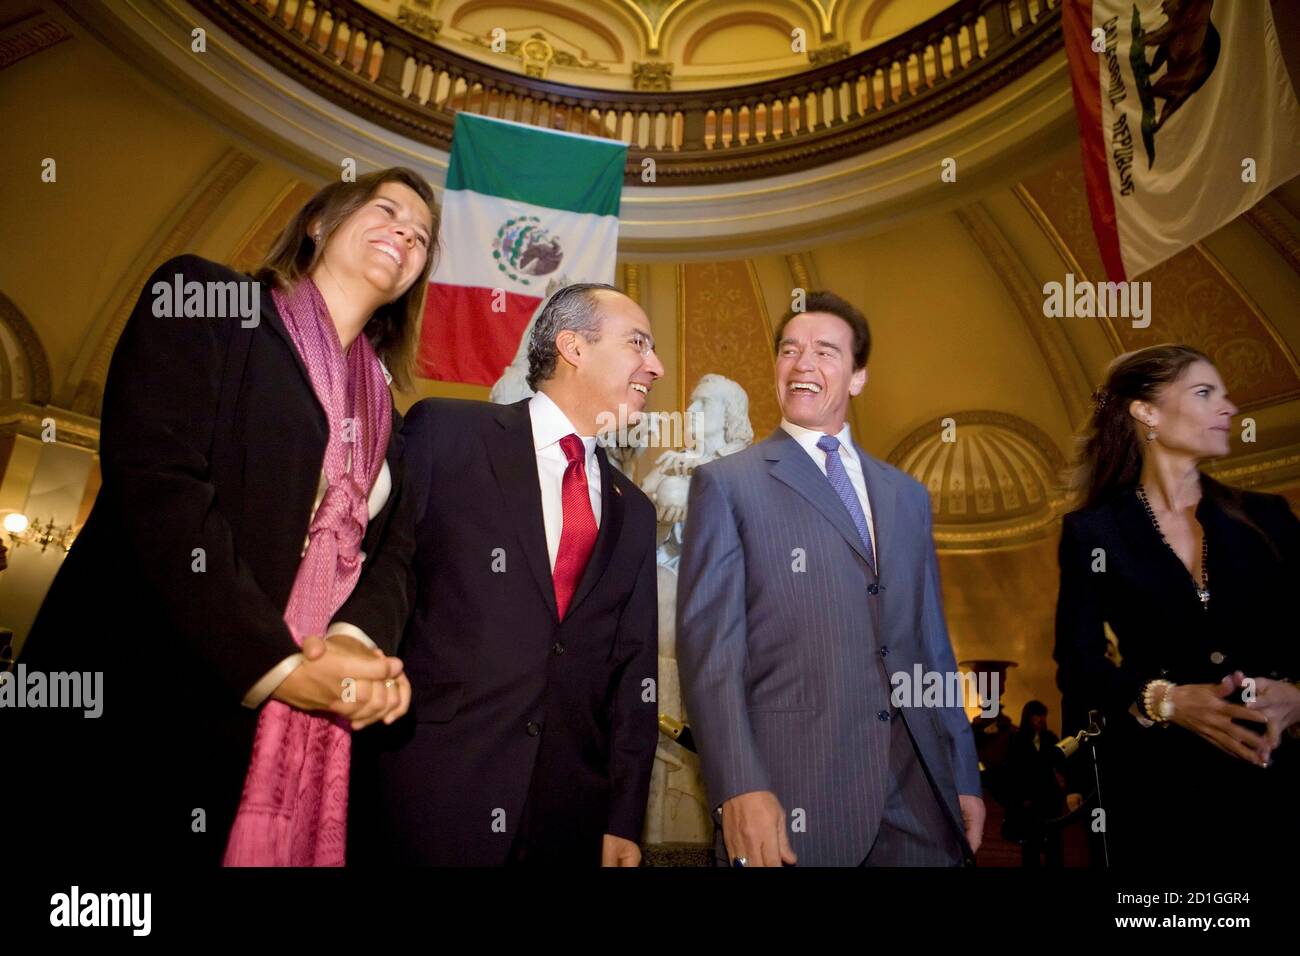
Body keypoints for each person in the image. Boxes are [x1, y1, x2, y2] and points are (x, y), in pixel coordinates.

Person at [13, 167, 437, 866]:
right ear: (318, 223)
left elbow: (392, 552)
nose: (405, 233)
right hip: (142, 694)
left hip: (272, 728)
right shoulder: (204, 301)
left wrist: (357, 643)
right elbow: (162, 485)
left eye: (421, 236)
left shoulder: (386, 411)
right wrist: (274, 663)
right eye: (386, 209)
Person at [336, 283, 663, 866]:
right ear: (573, 347)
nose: (655, 366)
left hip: (568, 820)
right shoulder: (448, 433)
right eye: (638, 342)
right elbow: (385, 572)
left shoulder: (633, 510)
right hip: (426, 789)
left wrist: (623, 819)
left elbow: (634, 672)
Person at [676, 291, 984, 867]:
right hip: (795, 798)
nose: (803, 364)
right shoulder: (727, 485)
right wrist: (738, 787)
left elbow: (933, 646)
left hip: (920, 799)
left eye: (825, 351)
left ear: (858, 376)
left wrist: (962, 771)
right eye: (790, 351)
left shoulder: (907, 496)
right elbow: (709, 654)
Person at [1054, 344, 1300, 865]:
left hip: (1279, 784)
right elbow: (1078, 665)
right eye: (1205, 392)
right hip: (1158, 798)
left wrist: (1299, 695)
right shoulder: (1090, 532)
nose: (1230, 408)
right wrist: (1163, 699)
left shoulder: (1269, 517)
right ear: (1146, 412)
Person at [1004, 701, 1067, 867]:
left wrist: (1061, 779)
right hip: (1030, 800)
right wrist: (1022, 797)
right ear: (1028, 717)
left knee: (1054, 845)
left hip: (1050, 798)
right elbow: (1013, 771)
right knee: (1031, 847)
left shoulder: (1050, 738)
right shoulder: (1017, 740)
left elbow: (1061, 761)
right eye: (1037, 715)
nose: (1041, 719)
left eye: (1043, 715)